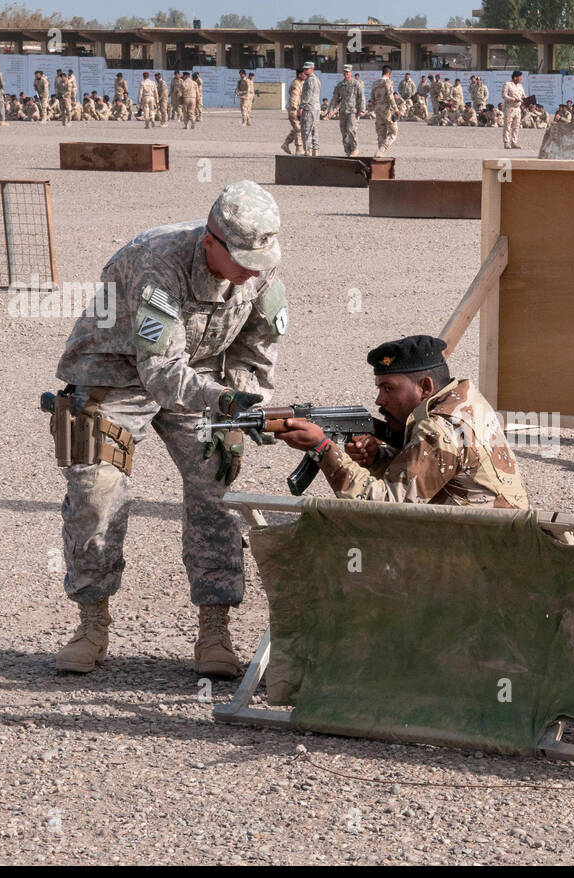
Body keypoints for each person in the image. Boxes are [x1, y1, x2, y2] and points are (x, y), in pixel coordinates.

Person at [52, 181, 287, 678]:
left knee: (217, 484)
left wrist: (244, 399)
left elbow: (254, 350)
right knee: (97, 487)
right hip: (113, 373)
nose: (251, 273)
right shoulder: (156, 264)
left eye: (259, 260)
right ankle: (92, 622)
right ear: (210, 242)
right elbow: (159, 371)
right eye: (242, 259)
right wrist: (221, 398)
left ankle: (215, 628)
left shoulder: (260, 264)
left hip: (199, 375)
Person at [276, 335, 529, 509]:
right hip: (496, 532)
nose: (379, 399)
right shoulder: (463, 400)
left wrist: (323, 449)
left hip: (485, 550)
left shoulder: (441, 428)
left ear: (425, 387)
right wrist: (378, 459)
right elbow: (429, 473)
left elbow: (383, 508)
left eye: (388, 389)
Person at [331, 65, 365, 157]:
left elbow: (361, 97)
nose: (346, 73)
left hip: (352, 111)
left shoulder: (356, 84)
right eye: (345, 72)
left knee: (351, 130)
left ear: (351, 73)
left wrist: (362, 110)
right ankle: (348, 151)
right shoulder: (340, 85)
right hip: (343, 111)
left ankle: (354, 149)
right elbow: (335, 98)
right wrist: (331, 110)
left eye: (348, 72)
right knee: (344, 132)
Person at [369, 65, 398, 156]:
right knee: (393, 132)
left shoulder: (375, 83)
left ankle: (380, 154)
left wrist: (375, 108)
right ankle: (382, 149)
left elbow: (372, 99)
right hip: (386, 111)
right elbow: (390, 96)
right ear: (389, 74)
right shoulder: (388, 82)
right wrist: (396, 109)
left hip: (378, 111)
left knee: (381, 134)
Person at [300, 61, 321, 156]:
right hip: (316, 108)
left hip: (309, 108)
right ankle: (315, 150)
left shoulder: (309, 80)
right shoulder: (317, 79)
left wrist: (302, 106)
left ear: (312, 69)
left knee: (306, 129)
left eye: (307, 69)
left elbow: (308, 94)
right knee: (315, 129)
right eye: (304, 68)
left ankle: (307, 150)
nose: (305, 70)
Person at [501, 70, 525, 149]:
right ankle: (506, 142)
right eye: (520, 77)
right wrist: (513, 99)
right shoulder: (507, 84)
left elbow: (523, 96)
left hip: (517, 109)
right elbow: (504, 95)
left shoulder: (520, 86)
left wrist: (528, 100)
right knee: (507, 126)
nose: (521, 79)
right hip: (509, 108)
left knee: (516, 126)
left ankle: (514, 142)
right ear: (515, 77)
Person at [283, 68, 305, 154]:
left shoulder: (301, 83)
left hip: (299, 109)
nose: (305, 75)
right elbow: (294, 98)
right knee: (298, 129)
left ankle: (286, 144)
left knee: (297, 128)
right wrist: (294, 110)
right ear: (299, 74)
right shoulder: (296, 84)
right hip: (294, 109)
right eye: (304, 74)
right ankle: (299, 149)